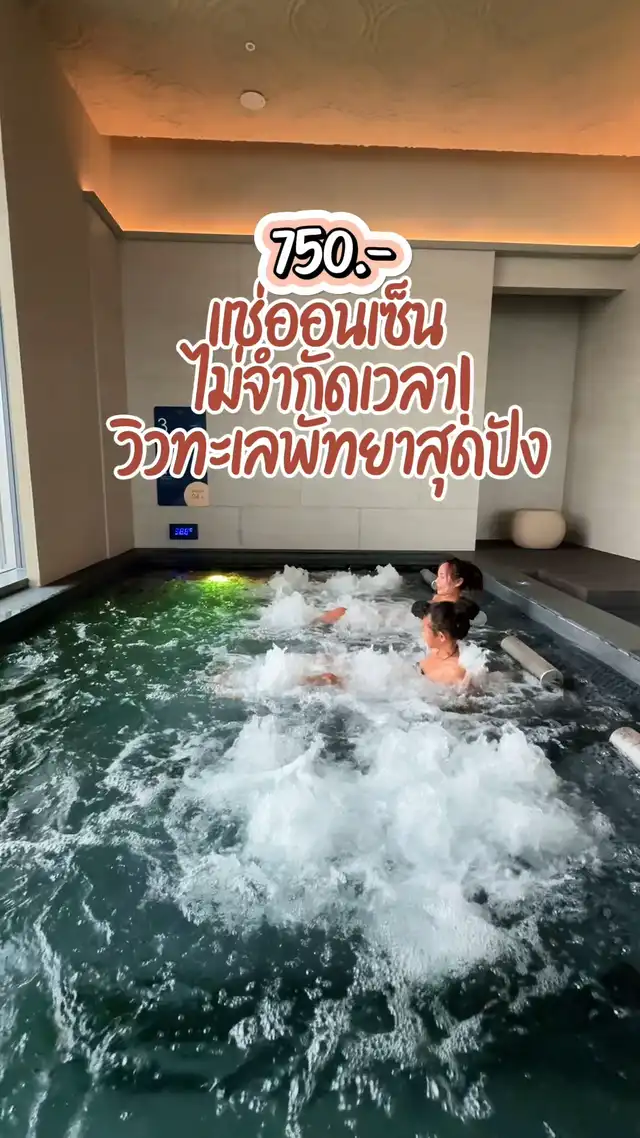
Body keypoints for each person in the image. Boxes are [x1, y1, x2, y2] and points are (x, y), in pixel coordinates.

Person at [411, 597, 480, 687]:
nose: (422, 632)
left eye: (424, 629)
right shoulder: (434, 650)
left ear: (441, 637)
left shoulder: (455, 674)